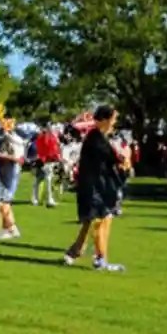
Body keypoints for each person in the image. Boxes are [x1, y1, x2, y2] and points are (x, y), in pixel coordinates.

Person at [64, 105, 129, 272]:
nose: (114, 123)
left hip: (94, 185)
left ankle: (74, 252)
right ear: (105, 120)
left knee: (91, 220)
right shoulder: (96, 138)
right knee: (102, 219)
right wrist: (123, 158)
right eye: (113, 119)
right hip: (94, 187)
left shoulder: (97, 137)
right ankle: (101, 259)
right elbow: (113, 158)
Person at [0, 118, 25, 240]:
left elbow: (17, 158)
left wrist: (1, 156)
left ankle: (11, 228)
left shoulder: (14, 140)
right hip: (1, 171)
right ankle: (5, 229)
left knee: (2, 201)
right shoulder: (2, 139)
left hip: (6, 172)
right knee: (4, 202)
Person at [31, 123, 62, 208]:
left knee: (42, 179)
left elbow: (55, 148)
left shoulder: (52, 136)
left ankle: (38, 199)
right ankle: (48, 199)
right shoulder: (44, 136)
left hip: (48, 160)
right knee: (45, 179)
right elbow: (47, 147)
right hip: (45, 160)